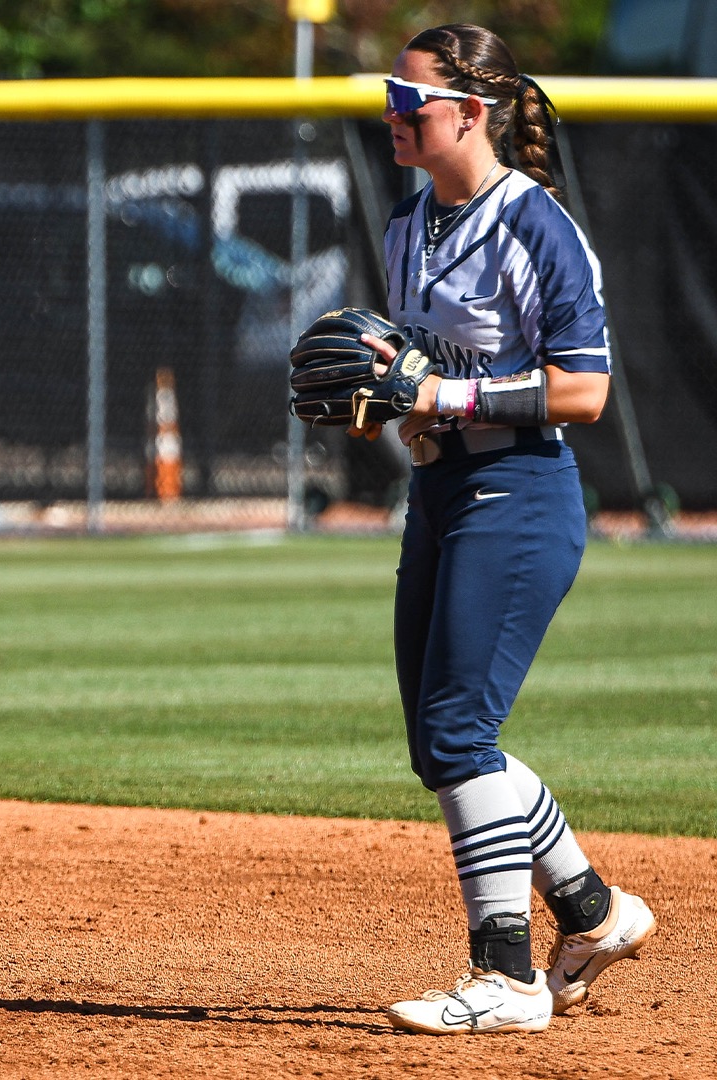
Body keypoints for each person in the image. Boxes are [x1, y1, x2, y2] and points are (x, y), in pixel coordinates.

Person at [352, 25, 657, 1035]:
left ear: (469, 112)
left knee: (457, 734)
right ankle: (591, 912)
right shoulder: (408, 226)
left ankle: (509, 977)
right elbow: (418, 376)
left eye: (412, 98)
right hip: (439, 497)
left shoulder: (537, 225)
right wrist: (386, 393)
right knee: (439, 746)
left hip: (521, 496)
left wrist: (446, 389)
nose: (395, 113)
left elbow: (584, 388)